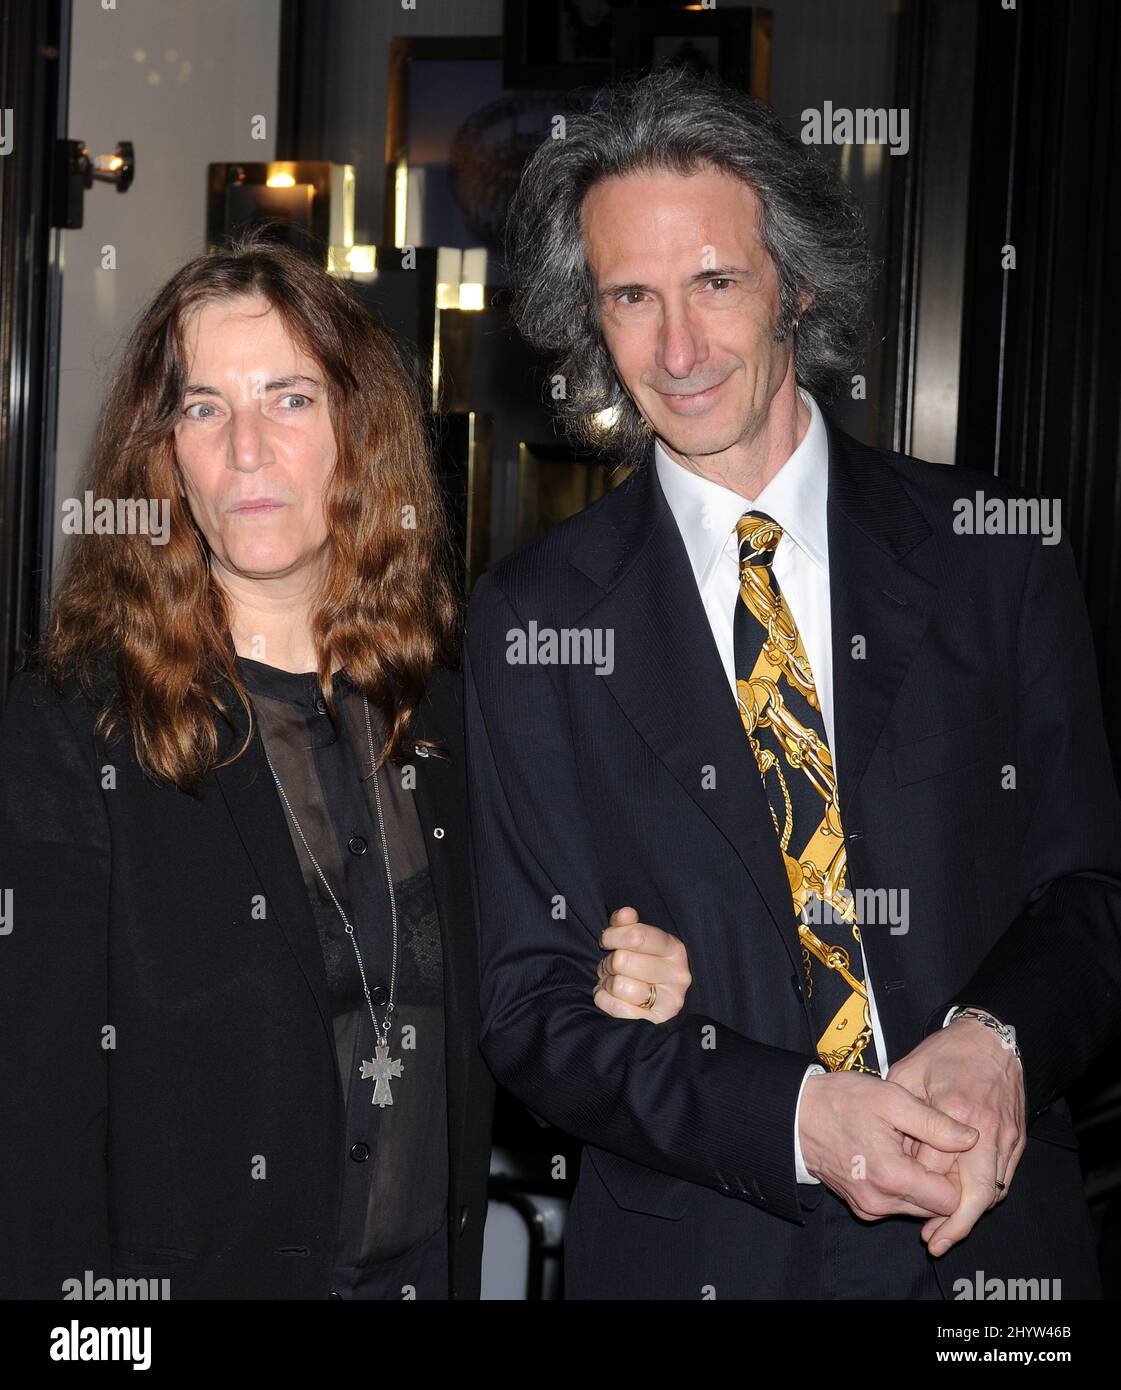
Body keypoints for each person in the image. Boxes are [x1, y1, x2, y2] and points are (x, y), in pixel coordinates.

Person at [463, 66, 1121, 1299]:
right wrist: (796, 1118)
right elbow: (529, 1009)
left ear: (796, 285)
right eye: (630, 297)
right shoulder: (531, 618)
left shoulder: (997, 552)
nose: (675, 347)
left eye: (715, 282)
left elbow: (1086, 891)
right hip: (694, 1253)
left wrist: (999, 1041)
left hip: (989, 1256)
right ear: (587, 321)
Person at [0, 230, 681, 1300]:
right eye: (203, 407)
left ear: (358, 434)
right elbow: (32, 1122)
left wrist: (604, 993)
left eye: (289, 398)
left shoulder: (452, 709)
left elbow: (506, 1016)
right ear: (163, 453)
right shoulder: (78, 723)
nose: (247, 452)